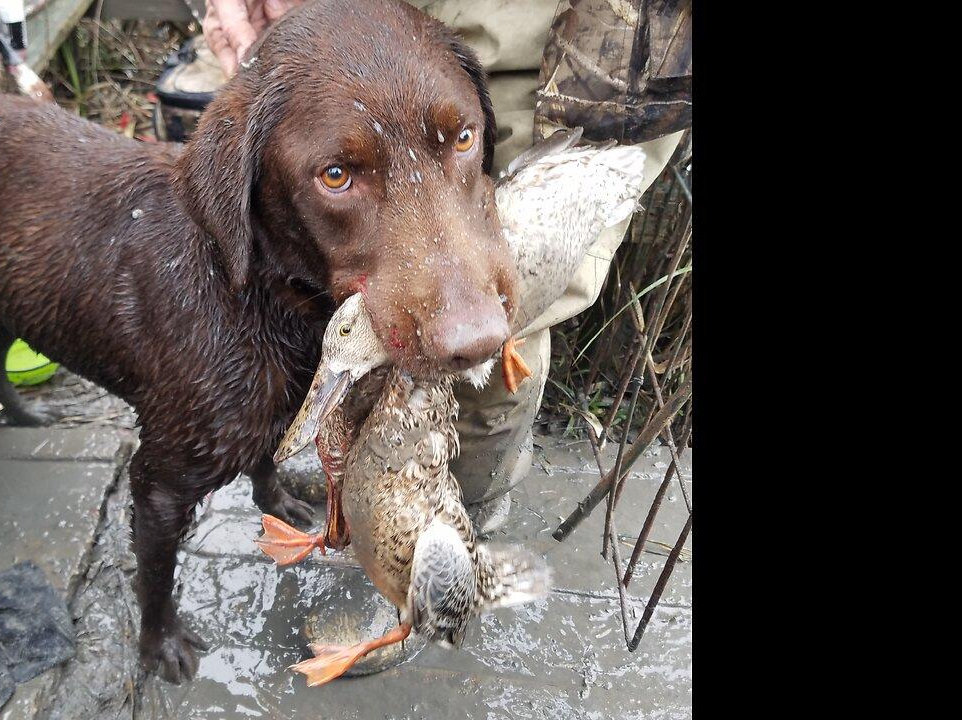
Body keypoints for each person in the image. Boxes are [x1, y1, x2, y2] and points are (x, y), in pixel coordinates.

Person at [178, 0, 690, 534]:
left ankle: (462, 520)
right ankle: (371, 497)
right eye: (338, 176)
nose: (473, 333)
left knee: (509, 312)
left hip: (591, 29)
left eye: (465, 139)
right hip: (399, 31)